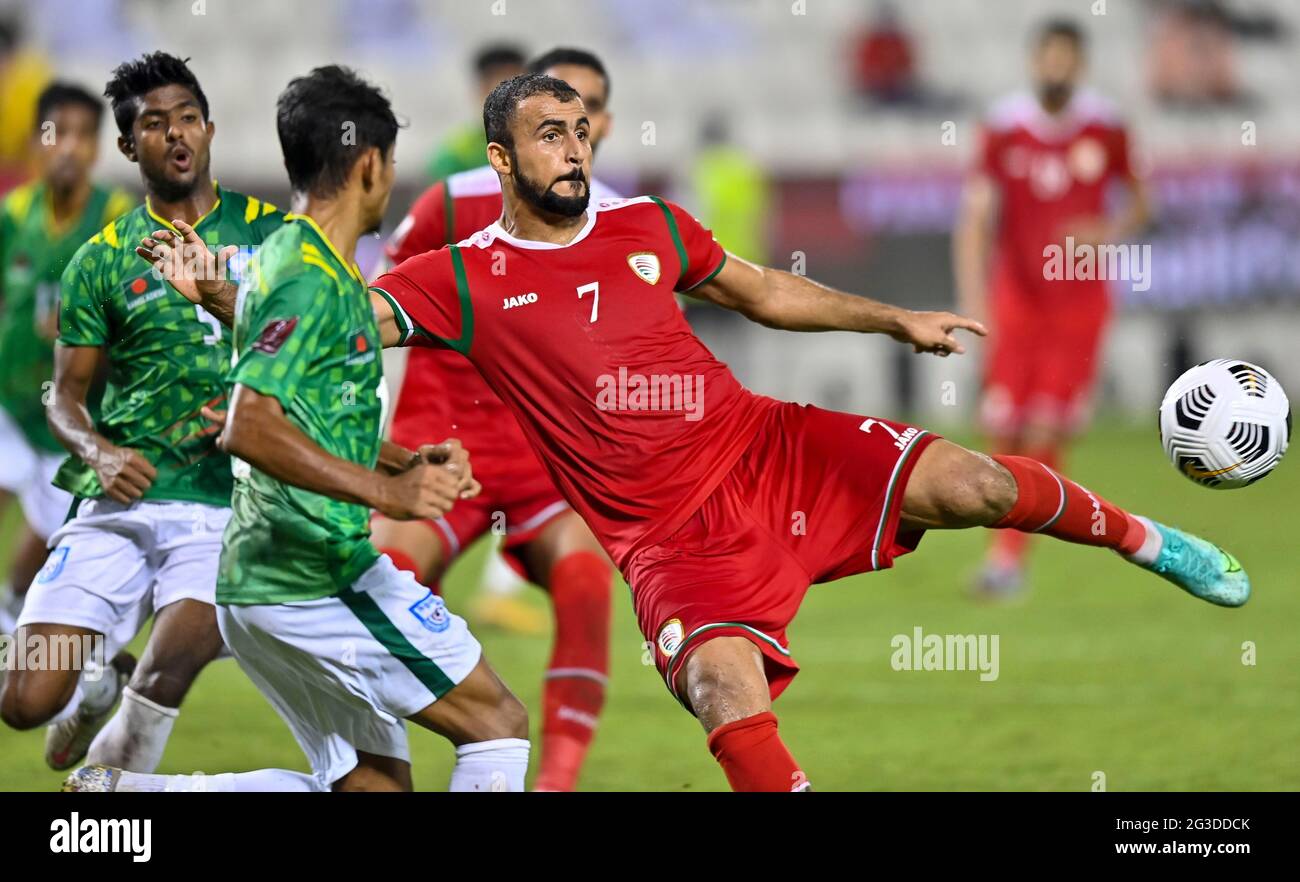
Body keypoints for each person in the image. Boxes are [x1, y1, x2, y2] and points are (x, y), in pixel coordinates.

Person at [148, 73, 1249, 793]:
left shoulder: (647, 227)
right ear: (499, 158)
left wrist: (897, 318)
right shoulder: (462, 276)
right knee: (727, 692)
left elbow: (766, 290)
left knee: (969, 482)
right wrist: (217, 293)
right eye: (547, 134)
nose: (573, 147)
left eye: (581, 130)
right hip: (667, 536)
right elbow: (330, 323)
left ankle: (1148, 539)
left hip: (766, 446)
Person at [66, 65, 529, 793]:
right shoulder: (310, 276)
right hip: (311, 576)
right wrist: (388, 492)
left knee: (373, 786)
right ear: (370, 164)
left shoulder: (300, 261)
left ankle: (137, 794)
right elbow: (250, 426)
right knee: (497, 723)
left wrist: (403, 461)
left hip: (260, 584)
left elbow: (310, 412)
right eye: (391, 163)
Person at [0, 52, 284, 776]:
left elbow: (317, 355)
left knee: (171, 663)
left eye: (188, 118)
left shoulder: (274, 239)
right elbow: (62, 397)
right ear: (129, 147)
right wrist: (96, 452)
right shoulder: (100, 260)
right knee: (24, 700)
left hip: (223, 509)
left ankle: (110, 794)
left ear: (210, 129)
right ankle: (99, 685)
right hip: (117, 502)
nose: (177, 134)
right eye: (155, 125)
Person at [375, 46, 617, 792]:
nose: (575, 131)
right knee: (391, 579)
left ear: (604, 122)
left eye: (590, 110)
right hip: (441, 449)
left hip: (544, 461)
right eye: (553, 115)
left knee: (587, 583)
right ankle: (380, 763)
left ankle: (555, 784)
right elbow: (380, 309)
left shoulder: (620, 224)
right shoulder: (449, 204)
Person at [953, 19, 1151, 598]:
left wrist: (1108, 228)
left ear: (1080, 64)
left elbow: (1141, 201)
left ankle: (1008, 559)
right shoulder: (1004, 127)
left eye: (1067, 59)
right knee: (1000, 421)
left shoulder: (1107, 127)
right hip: (1015, 299)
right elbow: (976, 219)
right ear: (1034, 61)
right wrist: (973, 298)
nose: (1056, 68)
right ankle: (1009, 540)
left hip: (1079, 299)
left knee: (1044, 422)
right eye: (1049, 58)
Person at [0, 82, 132, 635]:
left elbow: (130, 319)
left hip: (73, 415)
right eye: (59, 134)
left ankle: (10, 611)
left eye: (85, 136)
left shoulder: (117, 217)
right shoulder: (14, 212)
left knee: (47, 536)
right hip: (9, 399)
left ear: (99, 148)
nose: (71, 148)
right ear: (36, 141)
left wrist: (86, 331)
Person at [425, 43, 526, 182]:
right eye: (504, 94)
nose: (516, 102)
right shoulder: (455, 155)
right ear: (481, 91)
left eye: (523, 91)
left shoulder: (549, 145)